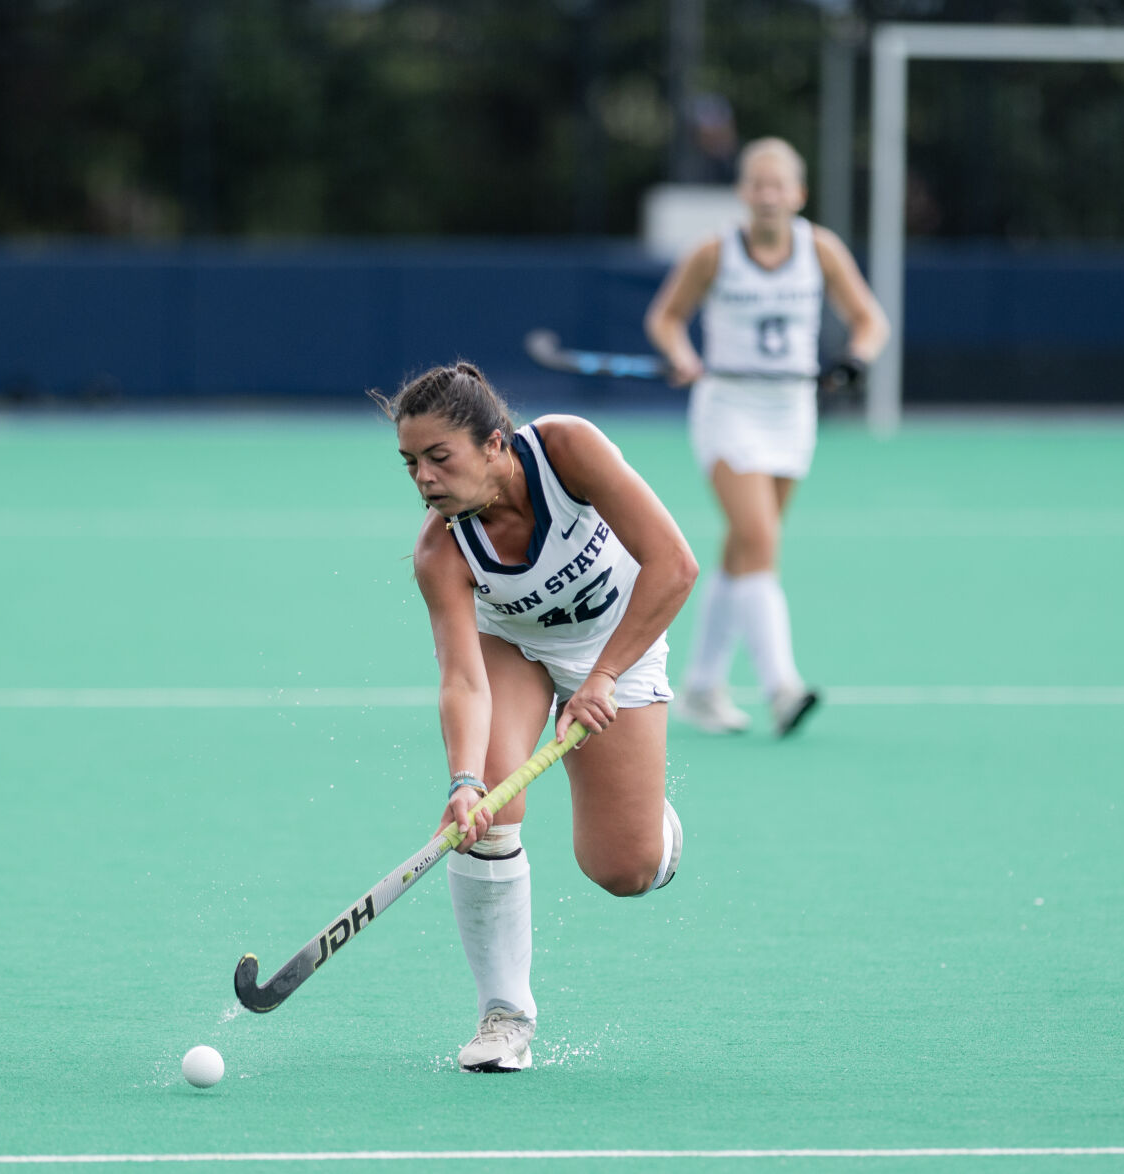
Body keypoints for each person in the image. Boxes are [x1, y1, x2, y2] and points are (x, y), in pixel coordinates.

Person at [374, 361, 698, 1072]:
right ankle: (504, 1017)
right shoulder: (441, 551)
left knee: (622, 870)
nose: (424, 479)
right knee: (491, 799)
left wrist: (605, 676)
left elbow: (673, 564)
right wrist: (462, 780)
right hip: (514, 648)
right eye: (410, 464)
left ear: (495, 443)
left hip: (620, 642)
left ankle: (651, 823)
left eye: (438, 457)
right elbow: (462, 679)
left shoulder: (566, 450)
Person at [645, 137, 889, 737]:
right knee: (759, 540)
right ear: (742, 193)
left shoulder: (820, 248)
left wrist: (855, 359)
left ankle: (701, 686)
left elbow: (871, 321)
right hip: (728, 409)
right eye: (758, 184)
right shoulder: (715, 252)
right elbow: (666, 317)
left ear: (798, 194)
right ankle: (783, 686)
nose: (768, 195)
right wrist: (682, 355)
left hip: (791, 413)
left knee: (745, 548)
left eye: (779, 185)